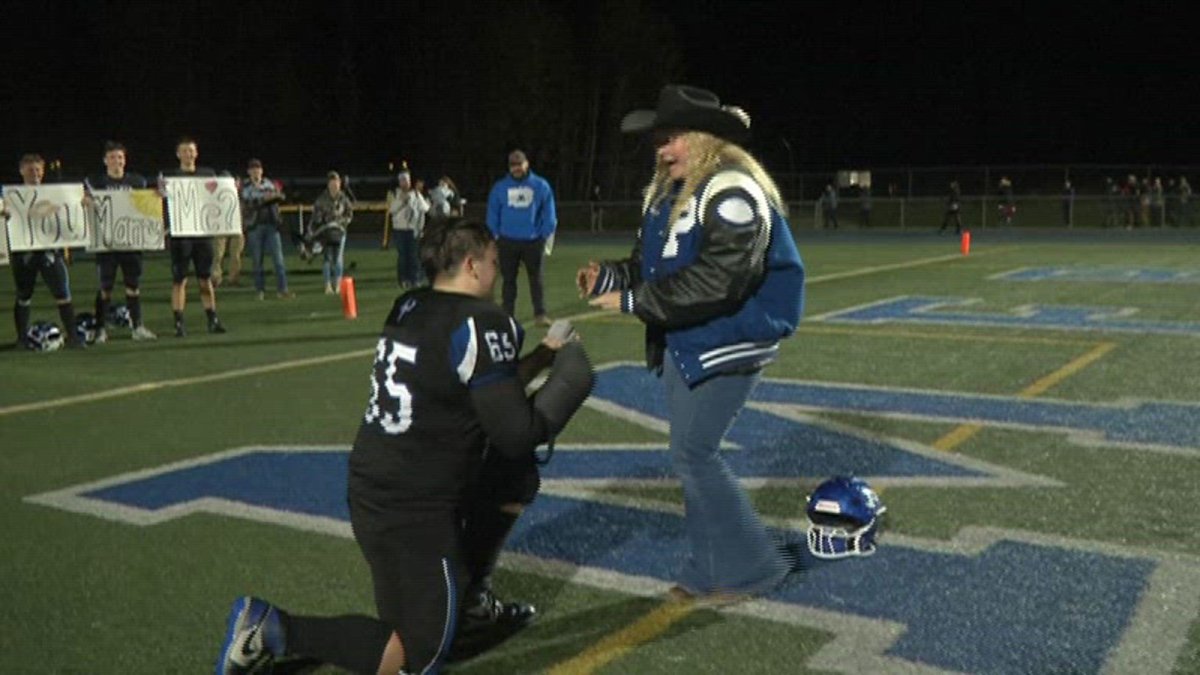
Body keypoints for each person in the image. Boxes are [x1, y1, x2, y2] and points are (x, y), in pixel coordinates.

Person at [215, 219, 595, 675]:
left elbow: (478, 381)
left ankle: (468, 603)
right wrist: (571, 378)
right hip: (417, 505)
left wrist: (546, 353)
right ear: (472, 265)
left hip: (376, 485)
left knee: (513, 475)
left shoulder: (410, 305)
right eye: (493, 264)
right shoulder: (483, 321)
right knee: (417, 655)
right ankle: (272, 629)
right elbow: (515, 431)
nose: (497, 275)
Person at [578, 84, 805, 604]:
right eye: (659, 138)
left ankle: (754, 566)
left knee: (695, 454)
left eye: (672, 137)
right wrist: (611, 278)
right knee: (690, 456)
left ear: (704, 139)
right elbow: (650, 266)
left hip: (730, 336)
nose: (661, 149)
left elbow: (720, 281)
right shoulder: (670, 193)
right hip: (687, 335)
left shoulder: (733, 189)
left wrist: (635, 303)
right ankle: (708, 569)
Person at [3, 154, 87, 349]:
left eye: (38, 170)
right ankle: (21, 339)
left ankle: (73, 337)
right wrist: (4, 210)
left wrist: (79, 204)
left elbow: (70, 208)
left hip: (49, 250)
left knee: (62, 293)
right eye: (31, 170)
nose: (35, 174)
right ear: (21, 171)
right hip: (24, 252)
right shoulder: (11, 195)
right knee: (24, 295)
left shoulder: (54, 193)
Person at [84, 141, 156, 342]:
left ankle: (137, 326)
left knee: (132, 285)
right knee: (105, 287)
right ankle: (100, 329)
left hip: (130, 241)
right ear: (105, 160)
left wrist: (157, 196)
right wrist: (85, 200)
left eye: (121, 157)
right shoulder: (95, 181)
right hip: (106, 243)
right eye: (113, 157)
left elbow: (147, 206)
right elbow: (82, 200)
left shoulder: (137, 181)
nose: (117, 161)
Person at [159, 137, 226, 337]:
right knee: (180, 280)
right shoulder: (170, 176)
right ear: (178, 154)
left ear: (196, 153)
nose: (188, 155)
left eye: (191, 151)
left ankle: (212, 318)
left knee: (205, 279)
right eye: (184, 151)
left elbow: (217, 199)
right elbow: (161, 200)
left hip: (202, 233)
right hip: (181, 234)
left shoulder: (207, 174)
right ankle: (179, 322)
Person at [486, 149, 557, 326]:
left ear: (527, 164)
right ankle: (507, 315)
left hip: (533, 241)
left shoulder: (540, 185)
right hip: (507, 241)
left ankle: (540, 315)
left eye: (519, 164)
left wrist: (543, 234)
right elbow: (493, 213)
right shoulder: (500, 187)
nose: (516, 168)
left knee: (536, 279)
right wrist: (495, 235)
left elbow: (549, 212)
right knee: (508, 281)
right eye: (513, 165)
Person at [240, 159, 293, 300]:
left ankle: (283, 289)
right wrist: (266, 198)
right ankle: (260, 290)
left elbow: (279, 196)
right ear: (249, 172)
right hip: (255, 226)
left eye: (258, 169)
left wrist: (273, 196)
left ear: (262, 171)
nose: (256, 172)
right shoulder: (245, 187)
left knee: (278, 259)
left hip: (271, 225)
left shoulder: (269, 183)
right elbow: (249, 202)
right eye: (253, 169)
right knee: (257, 261)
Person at [307, 170, 353, 294]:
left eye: (336, 183)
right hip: (326, 232)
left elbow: (349, 213)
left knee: (338, 258)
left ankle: (337, 284)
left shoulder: (343, 198)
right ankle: (327, 285)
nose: (334, 186)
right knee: (327, 258)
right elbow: (315, 217)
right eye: (332, 183)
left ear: (339, 183)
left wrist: (342, 223)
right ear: (328, 184)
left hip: (340, 231)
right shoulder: (321, 199)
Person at [387, 170, 430, 289]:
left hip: (413, 229)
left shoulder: (415, 194)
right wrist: (402, 200)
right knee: (403, 256)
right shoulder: (395, 194)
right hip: (400, 229)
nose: (405, 183)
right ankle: (403, 279)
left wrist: (422, 199)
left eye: (407, 180)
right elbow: (391, 210)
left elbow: (425, 209)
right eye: (402, 180)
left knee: (414, 256)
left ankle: (415, 279)